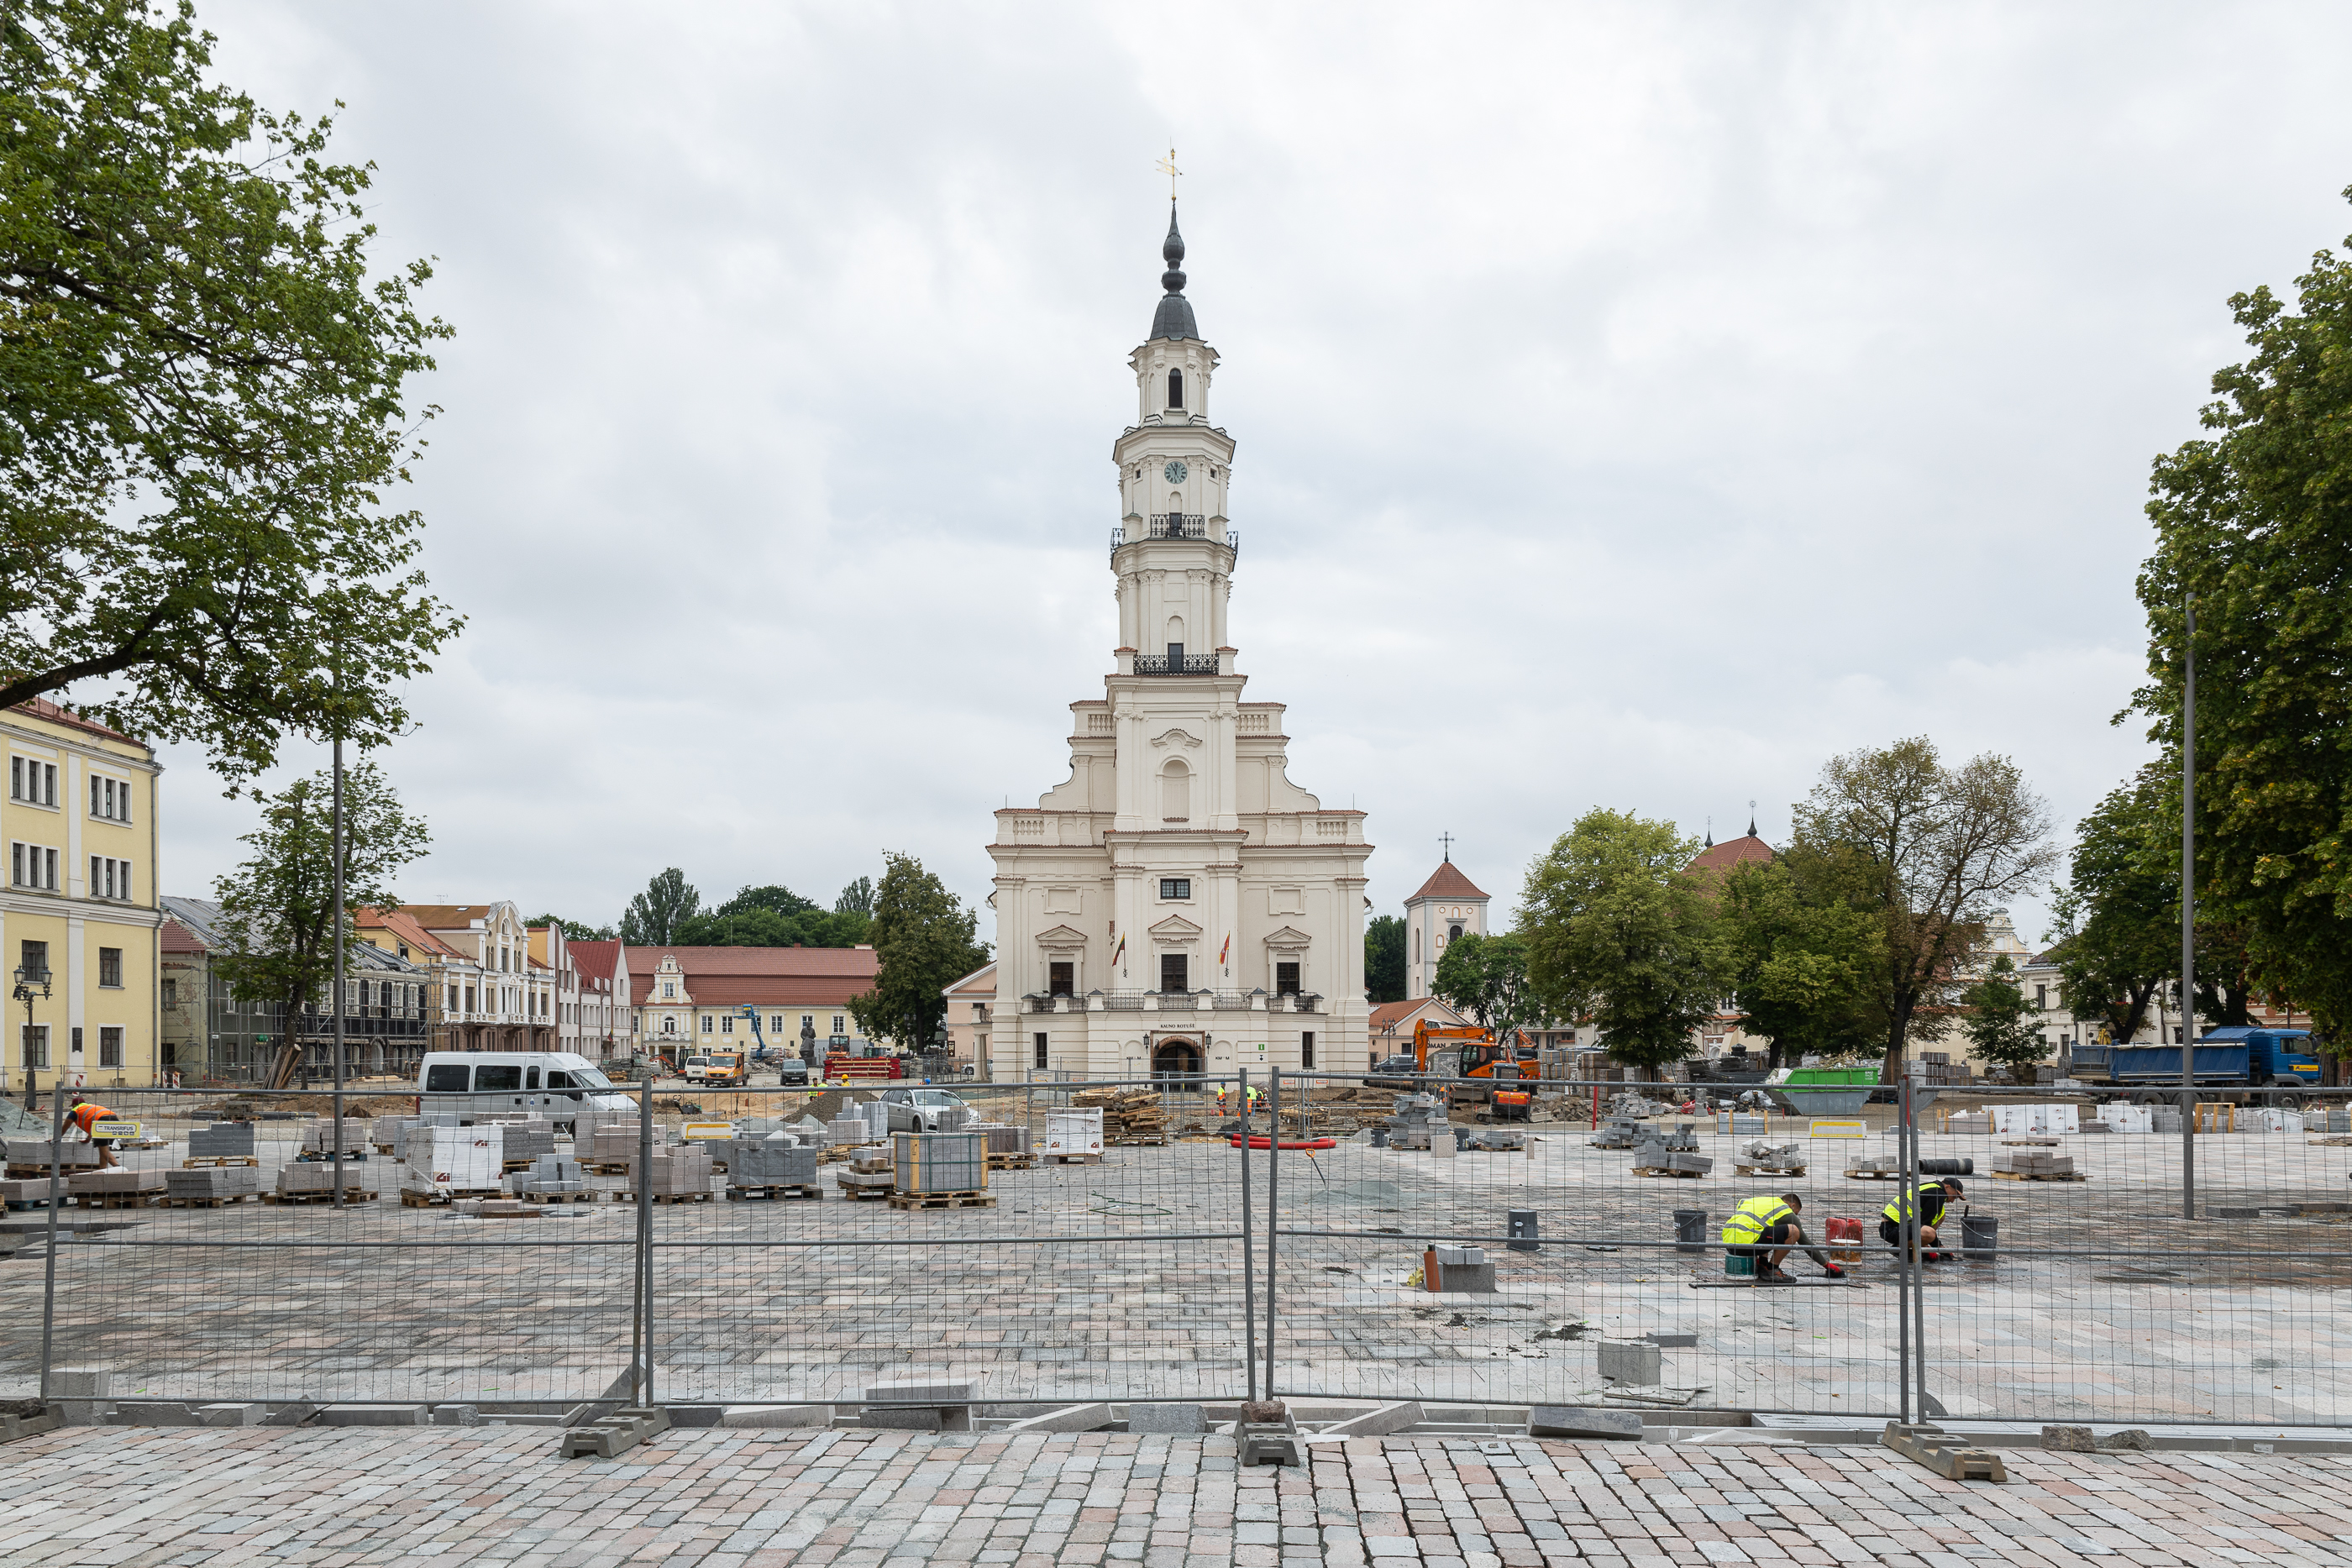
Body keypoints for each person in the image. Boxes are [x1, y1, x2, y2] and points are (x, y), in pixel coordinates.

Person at [1720, 1192, 1845, 1282]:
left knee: (1767, 1228)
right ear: (1792, 1206)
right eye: (1796, 1213)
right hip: (1747, 1245)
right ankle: (1772, 1269)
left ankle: (1762, 1264)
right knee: (1794, 1231)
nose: (1795, 1216)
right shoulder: (1785, 1210)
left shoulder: (1759, 1201)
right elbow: (1805, 1242)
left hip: (1729, 1243)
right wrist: (1827, 1265)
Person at [1882, 1177, 1964, 1262]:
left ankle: (1909, 1247)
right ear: (1947, 1187)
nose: (1953, 1201)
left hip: (1895, 1227)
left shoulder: (1932, 1187)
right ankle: (1899, 1248)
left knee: (1941, 1215)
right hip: (1891, 1229)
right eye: (1954, 1196)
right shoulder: (1938, 1194)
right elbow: (1924, 1223)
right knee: (1929, 1233)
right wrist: (1940, 1247)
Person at [63, 1093, 121, 1169]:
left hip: (101, 1122)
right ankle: (102, 1171)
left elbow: (65, 1126)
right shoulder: (91, 1107)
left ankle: (118, 1168)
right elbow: (92, 1127)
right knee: (103, 1147)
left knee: (103, 1148)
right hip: (114, 1119)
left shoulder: (75, 1111)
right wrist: (87, 1140)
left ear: (74, 1105)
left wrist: (57, 1138)